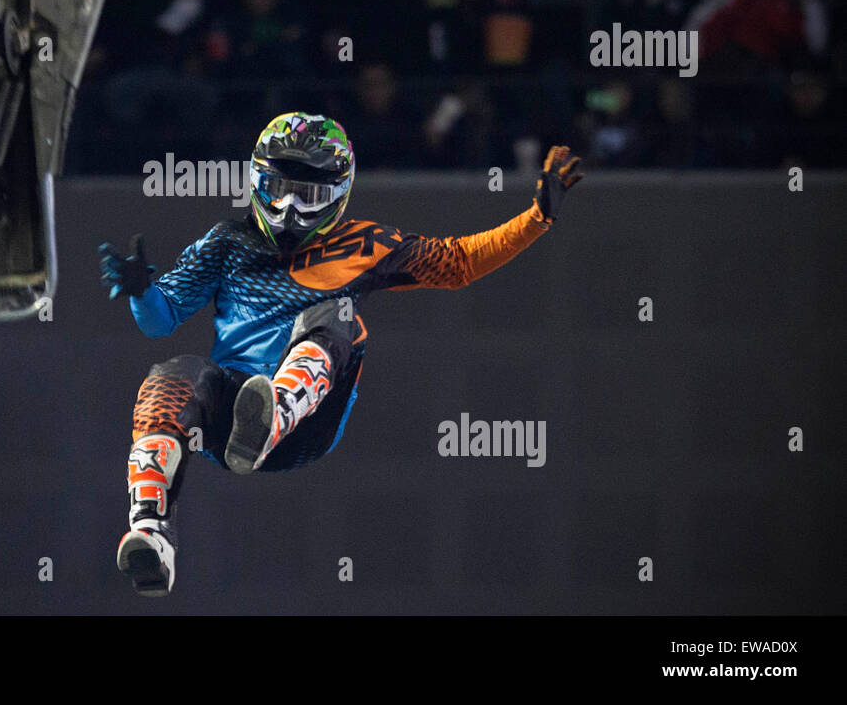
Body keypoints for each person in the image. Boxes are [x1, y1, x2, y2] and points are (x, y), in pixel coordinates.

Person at [98, 112, 583, 596]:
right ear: (255, 181)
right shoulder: (226, 242)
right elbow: (161, 322)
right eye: (278, 188)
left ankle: (275, 414)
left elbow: (456, 262)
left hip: (307, 423)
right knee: (173, 375)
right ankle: (152, 531)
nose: (288, 209)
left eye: (307, 196)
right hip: (229, 421)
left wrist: (535, 220)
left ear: (338, 197)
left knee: (339, 314)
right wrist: (142, 291)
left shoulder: (366, 244)